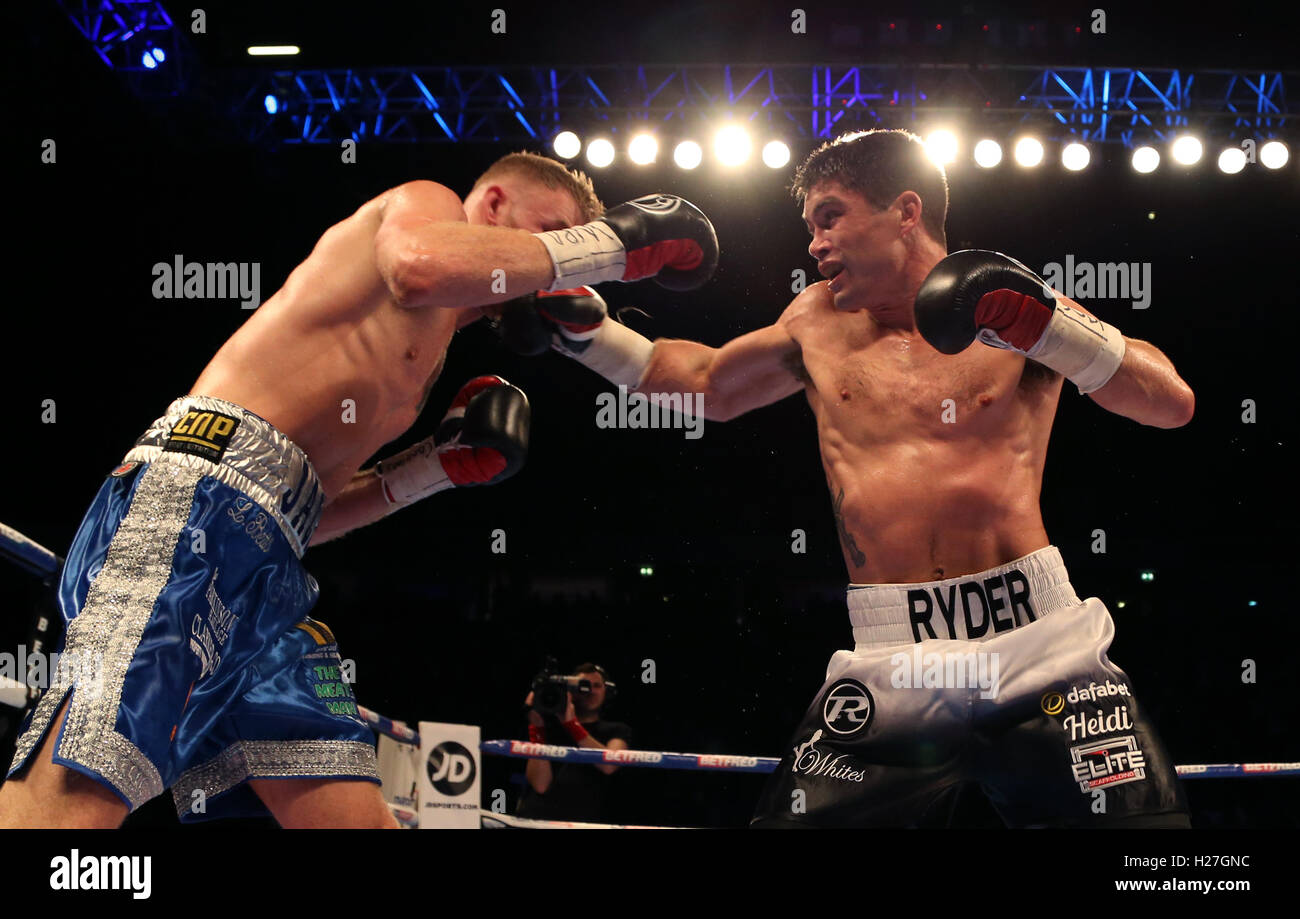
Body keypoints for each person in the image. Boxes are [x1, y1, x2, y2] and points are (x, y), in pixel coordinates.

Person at [496, 130, 1195, 827]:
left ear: (905, 211)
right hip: (892, 663)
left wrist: (1048, 327)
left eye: (831, 215)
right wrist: (585, 333)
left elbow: (1170, 403)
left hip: (1041, 647)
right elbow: (706, 383)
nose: (814, 243)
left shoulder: (1012, 303)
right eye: (810, 226)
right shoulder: (814, 323)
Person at [0, 151, 718, 828]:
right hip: (194, 502)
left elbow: (307, 516)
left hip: (271, 568)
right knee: (85, 784)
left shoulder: (426, 358)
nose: (563, 267)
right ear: (494, 203)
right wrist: (613, 243)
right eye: (556, 233)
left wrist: (429, 470)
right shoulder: (425, 210)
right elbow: (418, 265)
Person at [517, 663, 631, 823]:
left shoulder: (616, 730)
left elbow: (609, 765)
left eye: (597, 685)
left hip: (580, 822)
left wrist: (571, 724)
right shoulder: (549, 728)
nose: (590, 691)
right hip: (536, 820)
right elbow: (540, 785)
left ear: (608, 692)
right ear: (570, 692)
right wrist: (537, 728)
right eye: (584, 685)